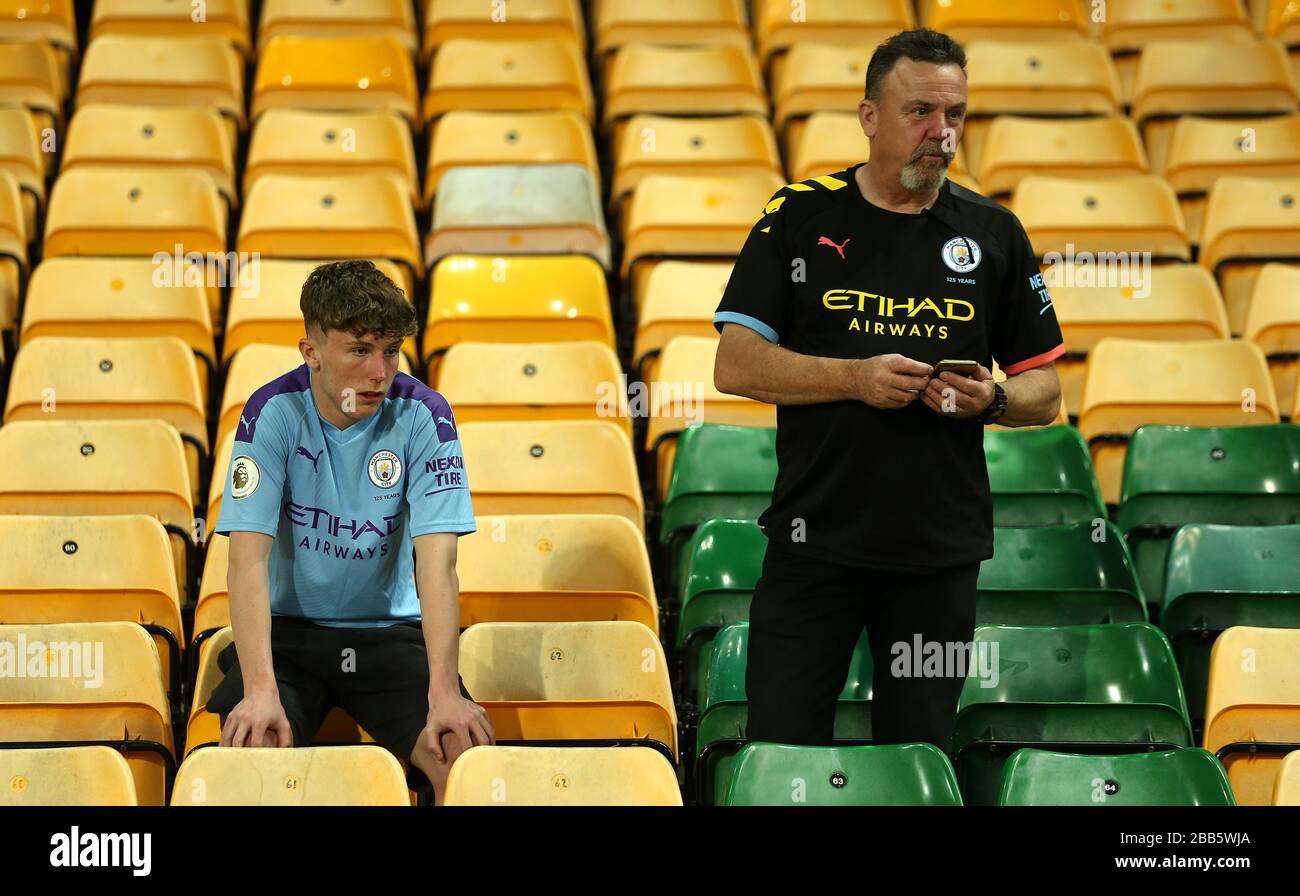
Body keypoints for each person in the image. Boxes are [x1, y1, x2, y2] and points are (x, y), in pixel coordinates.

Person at [712, 29, 1064, 751]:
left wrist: (991, 399)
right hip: (815, 545)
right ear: (869, 115)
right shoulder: (801, 216)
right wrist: (854, 378)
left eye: (956, 114)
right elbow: (737, 364)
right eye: (920, 111)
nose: (941, 132)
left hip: (937, 556)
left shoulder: (993, 233)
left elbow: (1047, 391)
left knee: (920, 755)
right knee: (781, 752)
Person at [207, 259, 493, 803]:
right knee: (252, 754)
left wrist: (442, 693)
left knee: (462, 754)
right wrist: (261, 688)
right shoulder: (270, 413)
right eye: (359, 351)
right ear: (311, 351)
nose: (379, 372)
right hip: (290, 636)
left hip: (389, 637)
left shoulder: (426, 415)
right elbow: (245, 562)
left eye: (390, 351)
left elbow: (438, 564)